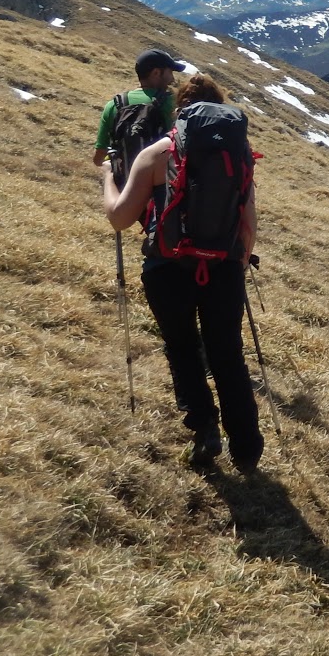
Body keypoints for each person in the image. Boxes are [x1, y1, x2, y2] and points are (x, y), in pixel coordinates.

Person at [101, 73, 263, 472]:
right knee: (227, 355)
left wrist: (107, 179)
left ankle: (204, 427)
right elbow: (248, 223)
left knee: (182, 348)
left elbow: (120, 219)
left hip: (167, 267)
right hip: (222, 269)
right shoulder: (237, 154)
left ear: (180, 110)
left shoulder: (158, 154)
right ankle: (246, 447)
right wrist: (236, 264)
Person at [92, 48, 186, 166]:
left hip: (123, 182)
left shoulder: (113, 105)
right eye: (170, 72)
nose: (172, 79)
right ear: (156, 73)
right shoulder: (173, 103)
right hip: (161, 180)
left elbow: (98, 158)